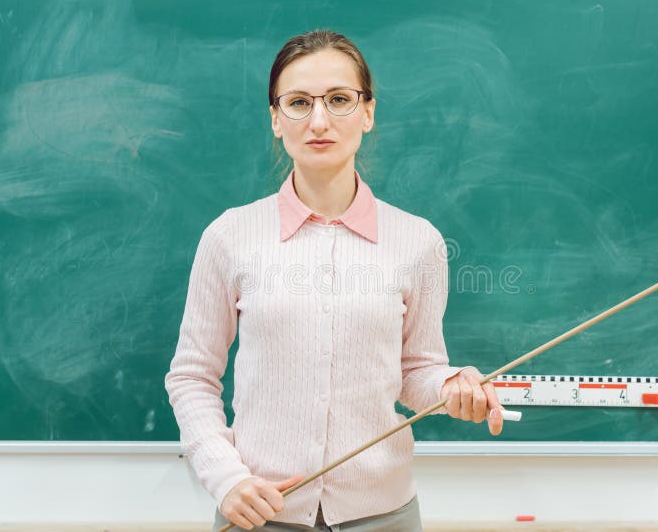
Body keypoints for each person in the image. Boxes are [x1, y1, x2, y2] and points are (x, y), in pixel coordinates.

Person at [164, 29, 505, 532]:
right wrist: (225, 478)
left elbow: (415, 372)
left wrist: (453, 385)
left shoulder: (418, 241)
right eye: (299, 102)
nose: (319, 120)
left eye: (340, 99)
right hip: (260, 512)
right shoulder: (229, 236)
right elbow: (192, 377)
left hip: (383, 514)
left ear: (368, 112)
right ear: (275, 119)